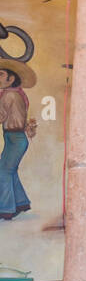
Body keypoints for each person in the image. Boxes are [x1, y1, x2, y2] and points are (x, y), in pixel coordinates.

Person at [0, 59, 37, 220]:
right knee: (10, 170)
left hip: (14, 138)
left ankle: (6, 209)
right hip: (15, 138)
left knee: (3, 172)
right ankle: (21, 203)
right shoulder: (14, 93)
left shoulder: (9, 95)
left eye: (1, 74)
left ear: (11, 78)